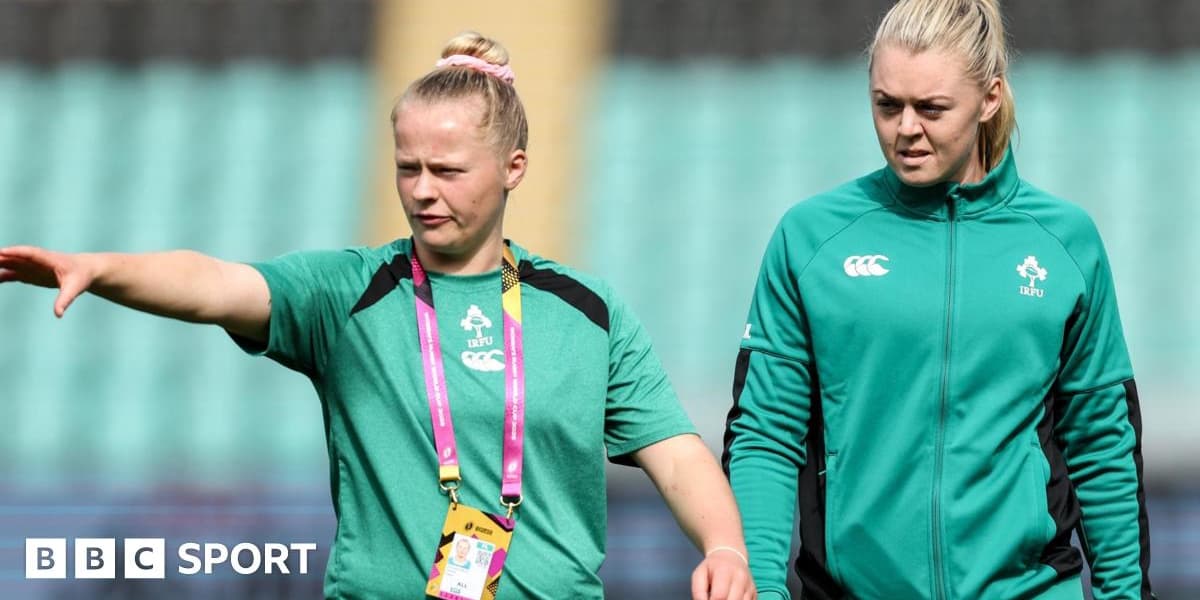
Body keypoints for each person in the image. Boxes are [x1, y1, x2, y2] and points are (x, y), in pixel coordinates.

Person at [0, 32, 755, 600]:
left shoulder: (586, 311)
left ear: (512, 169)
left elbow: (677, 453)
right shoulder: (347, 294)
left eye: (448, 170)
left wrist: (724, 548)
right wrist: (99, 270)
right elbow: (214, 284)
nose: (423, 190)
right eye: (408, 167)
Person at [721, 1, 1153, 599]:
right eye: (886, 104)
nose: (905, 129)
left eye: (931, 108)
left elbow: (1102, 442)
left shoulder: (1064, 243)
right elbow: (765, 435)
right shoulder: (811, 239)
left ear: (990, 98)